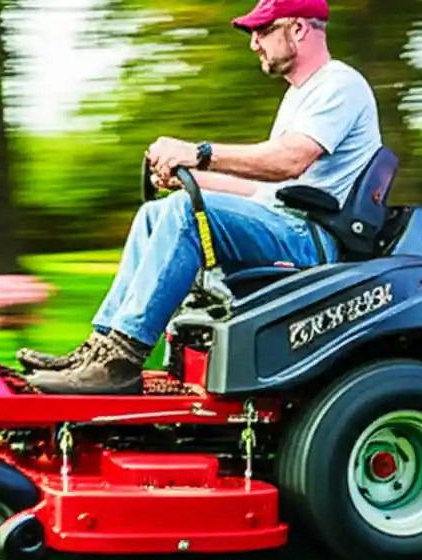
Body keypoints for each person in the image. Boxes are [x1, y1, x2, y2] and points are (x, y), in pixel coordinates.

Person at [19, 0, 383, 395]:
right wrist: (193, 179)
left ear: (298, 29)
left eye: (263, 31)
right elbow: (266, 191)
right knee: (157, 213)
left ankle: (122, 359)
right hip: (284, 223)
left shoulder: (339, 85)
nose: (254, 44)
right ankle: (100, 348)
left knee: (183, 214)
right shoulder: (301, 96)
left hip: (312, 238)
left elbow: (288, 162)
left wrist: (199, 153)